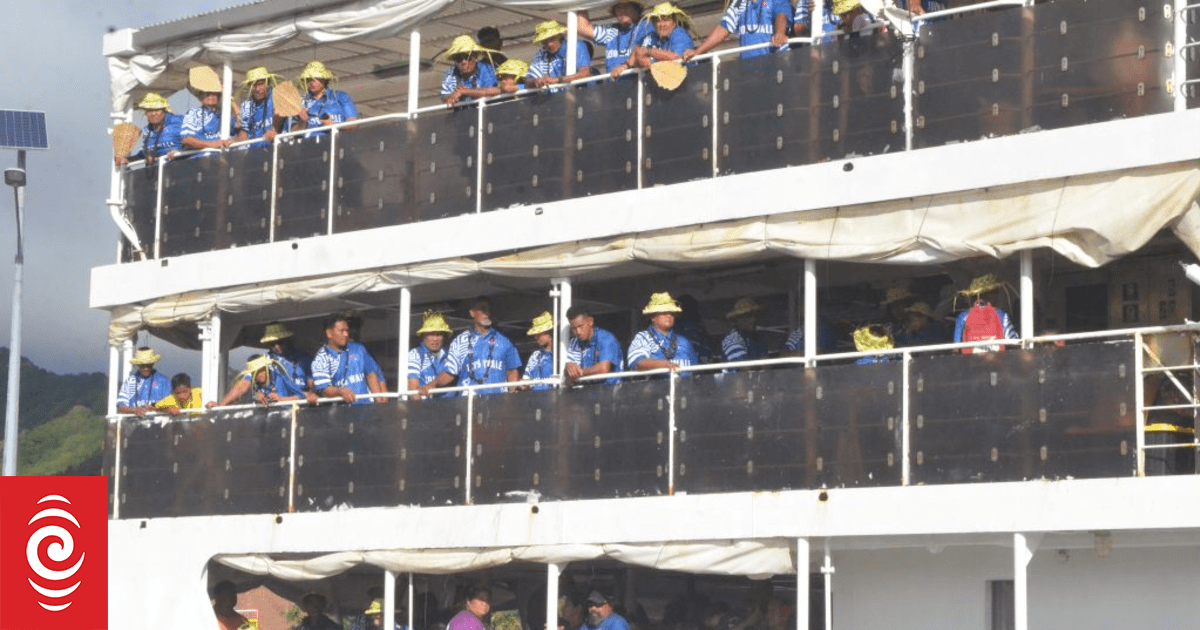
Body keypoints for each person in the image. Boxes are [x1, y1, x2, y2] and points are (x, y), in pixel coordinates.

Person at [424, 297, 521, 396]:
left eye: (488, 310)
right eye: (482, 309)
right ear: (472, 313)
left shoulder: (505, 340)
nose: (486, 313)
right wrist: (433, 384)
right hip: (468, 401)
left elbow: (512, 371)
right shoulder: (460, 341)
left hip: (497, 402)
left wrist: (511, 397)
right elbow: (450, 372)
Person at [683, 0, 792, 62]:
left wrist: (780, 33)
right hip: (746, 68)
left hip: (774, 65)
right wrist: (698, 51)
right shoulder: (739, 2)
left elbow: (782, 15)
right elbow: (723, 29)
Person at [312, 314, 387, 405]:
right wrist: (340, 391)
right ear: (329, 333)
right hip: (342, 413)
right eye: (341, 331)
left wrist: (380, 402)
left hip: (366, 408)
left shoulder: (358, 349)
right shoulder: (321, 359)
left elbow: (371, 374)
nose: (346, 334)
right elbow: (324, 389)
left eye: (347, 330)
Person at [628, 292, 699, 375]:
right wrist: (664, 364)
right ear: (653, 317)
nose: (669, 316)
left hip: (684, 387)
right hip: (654, 387)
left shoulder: (684, 341)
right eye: (664, 313)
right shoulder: (643, 338)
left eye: (672, 313)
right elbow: (638, 363)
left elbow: (695, 369)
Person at [577, 1, 651, 74]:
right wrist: (579, 2)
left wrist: (625, 66)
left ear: (637, 9)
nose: (622, 11)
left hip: (640, 82)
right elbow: (582, 28)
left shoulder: (646, 26)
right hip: (614, 83)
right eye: (618, 7)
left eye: (626, 6)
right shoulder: (613, 31)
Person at [208, 354, 307, 408]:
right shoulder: (255, 381)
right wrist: (220, 406)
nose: (261, 374)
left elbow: (301, 397)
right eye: (256, 372)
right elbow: (240, 388)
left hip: (293, 418)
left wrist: (280, 399)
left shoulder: (281, 375)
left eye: (262, 369)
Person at [623, 2, 695, 75]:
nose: (662, 25)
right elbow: (638, 51)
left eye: (666, 20)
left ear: (674, 22)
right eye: (658, 21)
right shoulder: (655, 37)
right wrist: (626, 65)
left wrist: (648, 51)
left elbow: (678, 58)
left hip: (688, 80)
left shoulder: (680, 34)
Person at [952, 274, 1018, 353]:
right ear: (991, 296)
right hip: (998, 361)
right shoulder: (1001, 313)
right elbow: (1013, 341)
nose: (997, 297)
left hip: (971, 362)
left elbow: (956, 347)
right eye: (996, 293)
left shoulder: (963, 316)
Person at [259, 321, 319, 405]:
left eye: (280, 341)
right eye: (272, 343)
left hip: (303, 405)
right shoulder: (265, 362)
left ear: (287, 340)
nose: (277, 346)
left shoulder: (304, 358)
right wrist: (260, 394)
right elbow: (258, 384)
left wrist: (312, 393)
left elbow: (312, 383)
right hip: (278, 409)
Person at [116, 93, 183, 166]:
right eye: (149, 110)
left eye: (157, 109)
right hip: (158, 173)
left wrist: (178, 152)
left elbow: (193, 141)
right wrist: (126, 159)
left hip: (181, 170)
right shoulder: (148, 131)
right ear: (146, 113)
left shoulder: (178, 122)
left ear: (164, 110)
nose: (153, 113)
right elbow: (143, 155)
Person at [564, 305, 624, 386]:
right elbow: (568, 373)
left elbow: (603, 369)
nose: (578, 331)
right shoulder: (574, 342)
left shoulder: (606, 338)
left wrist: (579, 372)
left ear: (590, 321)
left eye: (580, 326)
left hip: (611, 392)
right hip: (586, 393)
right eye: (574, 328)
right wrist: (569, 368)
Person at [528, 21, 594, 89]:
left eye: (552, 38)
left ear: (559, 35)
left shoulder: (577, 46)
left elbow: (585, 73)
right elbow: (527, 81)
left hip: (585, 93)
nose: (549, 44)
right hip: (558, 97)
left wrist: (556, 80)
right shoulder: (540, 55)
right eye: (544, 41)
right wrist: (537, 81)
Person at [440, 35, 502, 106]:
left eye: (467, 57)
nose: (463, 62)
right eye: (458, 58)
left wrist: (464, 91)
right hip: (468, 114)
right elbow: (444, 96)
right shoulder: (451, 73)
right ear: (455, 62)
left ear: (475, 57)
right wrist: (452, 97)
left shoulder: (485, 67)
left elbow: (493, 91)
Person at [295, 60, 358, 130]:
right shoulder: (302, 102)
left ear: (324, 80)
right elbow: (291, 132)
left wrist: (334, 126)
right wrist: (303, 122)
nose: (311, 83)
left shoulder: (340, 97)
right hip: (309, 140)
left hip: (335, 139)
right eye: (308, 79)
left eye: (315, 79)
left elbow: (353, 123)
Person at [407, 311, 453, 399]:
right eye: (431, 334)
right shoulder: (415, 354)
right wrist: (420, 410)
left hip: (450, 407)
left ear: (444, 336)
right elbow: (413, 389)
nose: (435, 339)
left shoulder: (451, 355)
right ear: (423, 336)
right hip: (426, 408)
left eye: (439, 334)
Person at [181, 79, 236, 151]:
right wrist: (213, 144)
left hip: (224, 156)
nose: (211, 96)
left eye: (214, 93)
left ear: (219, 97)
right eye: (207, 93)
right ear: (200, 97)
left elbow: (241, 130)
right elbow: (186, 140)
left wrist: (232, 101)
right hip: (200, 157)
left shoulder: (226, 114)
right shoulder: (193, 113)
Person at [116, 346, 172, 417]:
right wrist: (135, 410)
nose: (146, 368)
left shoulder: (164, 381)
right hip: (133, 424)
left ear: (153, 363)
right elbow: (121, 406)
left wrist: (155, 408)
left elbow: (170, 405)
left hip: (160, 423)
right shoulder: (129, 381)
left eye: (148, 365)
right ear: (138, 365)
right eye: (143, 365)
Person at [236, 66, 285, 146]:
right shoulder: (246, 105)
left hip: (277, 148)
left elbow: (283, 118)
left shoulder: (278, 96)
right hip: (255, 152)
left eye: (260, 84)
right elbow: (243, 134)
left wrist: (275, 130)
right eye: (253, 86)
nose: (257, 89)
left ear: (268, 83)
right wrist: (232, 141)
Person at [721, 298, 768, 363]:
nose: (753, 320)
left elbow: (766, 364)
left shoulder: (757, 338)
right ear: (738, 320)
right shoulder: (731, 339)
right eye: (748, 317)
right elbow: (744, 367)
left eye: (754, 316)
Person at [521, 311, 557, 391]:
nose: (535, 337)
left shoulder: (562, 355)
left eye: (539, 334)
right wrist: (523, 385)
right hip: (536, 400)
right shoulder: (535, 356)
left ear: (549, 334)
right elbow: (526, 380)